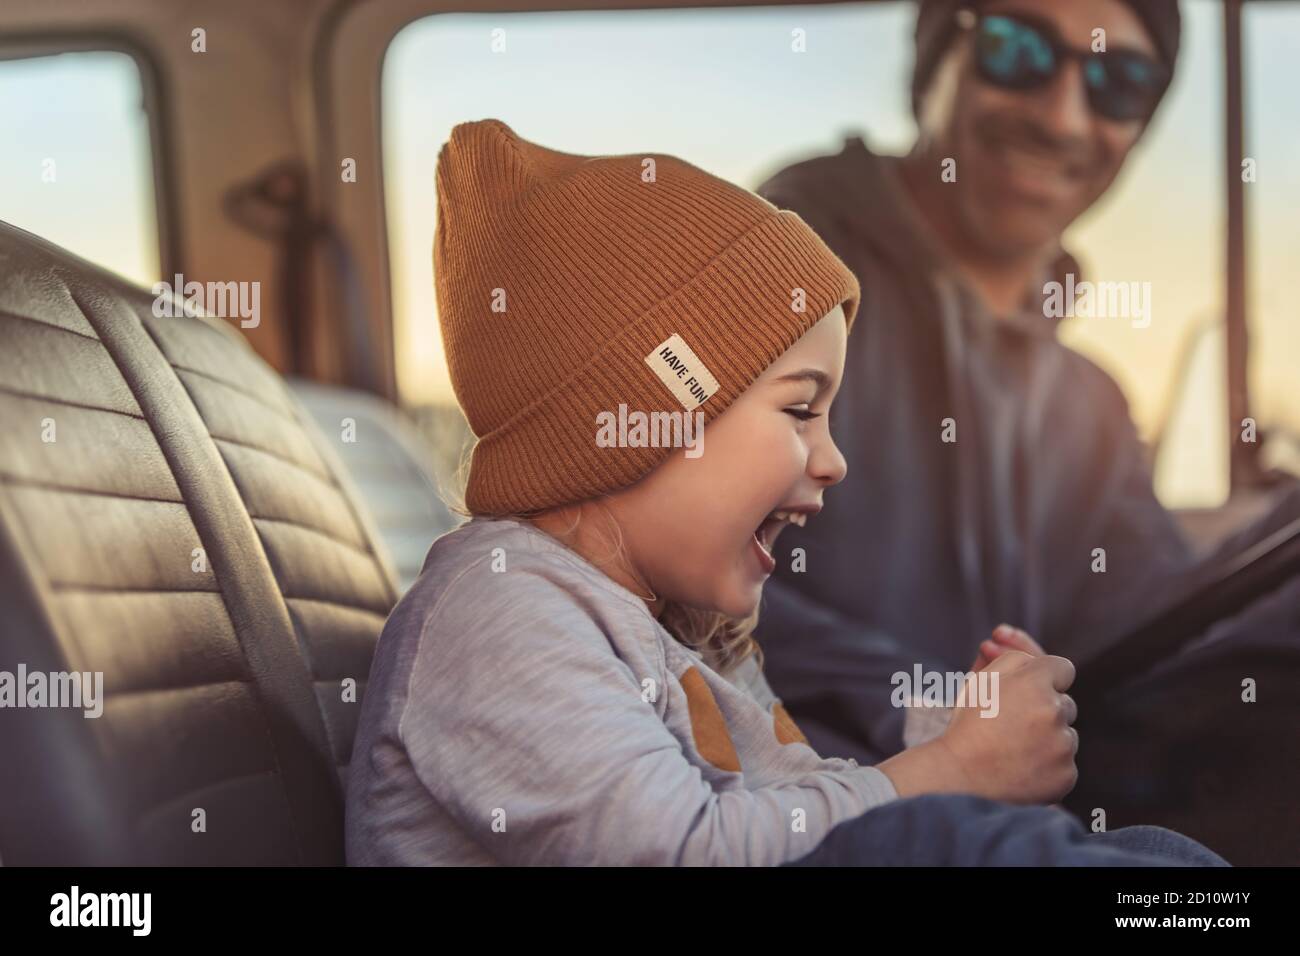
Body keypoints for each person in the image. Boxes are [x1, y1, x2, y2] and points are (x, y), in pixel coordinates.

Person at [344, 118, 1226, 866]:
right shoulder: (501, 615)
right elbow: (692, 852)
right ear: (661, 410)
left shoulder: (681, 630)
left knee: (1152, 856)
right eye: (800, 410)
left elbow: (796, 805)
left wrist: (940, 736)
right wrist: (949, 777)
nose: (833, 459)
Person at [753, 0, 1300, 765]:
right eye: (1019, 51)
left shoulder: (1092, 408)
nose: (1065, 117)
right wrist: (946, 727)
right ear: (934, 62)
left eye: (1120, 80)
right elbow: (659, 587)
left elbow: (1151, 633)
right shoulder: (761, 289)